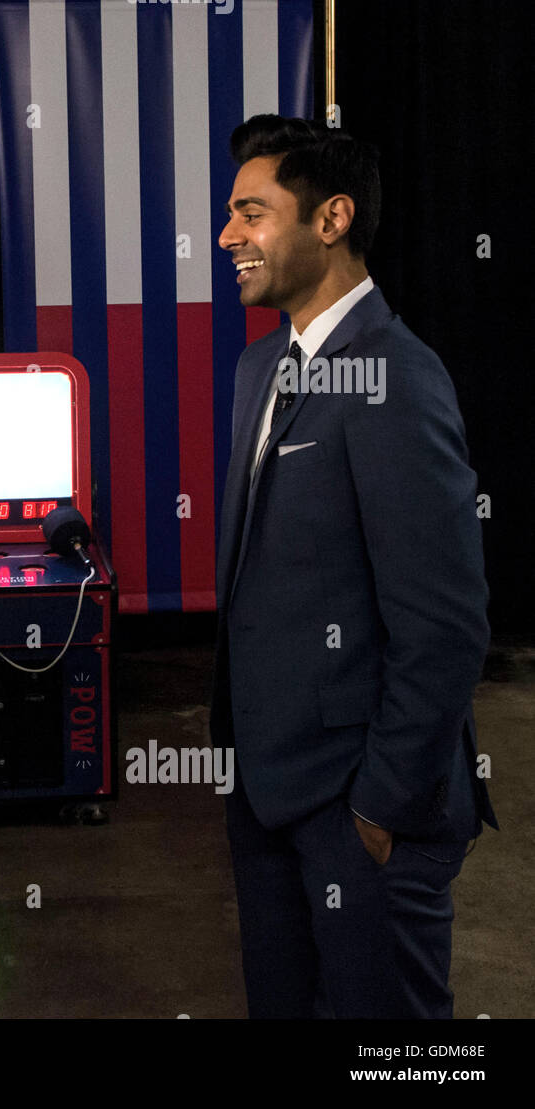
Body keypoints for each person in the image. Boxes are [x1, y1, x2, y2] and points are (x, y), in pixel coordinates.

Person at [211, 114, 495, 1019]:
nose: (227, 237)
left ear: (330, 219)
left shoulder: (397, 376)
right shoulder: (262, 369)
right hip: (267, 797)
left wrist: (380, 807)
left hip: (361, 814)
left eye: (250, 213)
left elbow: (446, 625)